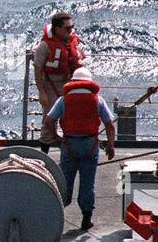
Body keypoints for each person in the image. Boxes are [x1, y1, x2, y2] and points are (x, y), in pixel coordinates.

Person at [45, 68, 116, 232]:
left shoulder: (63, 100)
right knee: (87, 182)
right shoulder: (97, 100)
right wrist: (111, 146)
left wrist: (56, 137)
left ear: (72, 82)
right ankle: (86, 219)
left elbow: (49, 120)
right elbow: (110, 126)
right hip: (90, 145)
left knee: (64, 181)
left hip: (69, 144)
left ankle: (57, 216)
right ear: (89, 83)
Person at [32, 11, 87, 154]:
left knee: (71, 119)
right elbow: (37, 69)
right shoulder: (44, 46)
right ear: (57, 29)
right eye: (67, 28)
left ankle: (70, 151)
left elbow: (81, 58)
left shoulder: (73, 42)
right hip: (51, 85)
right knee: (48, 120)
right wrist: (41, 92)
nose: (71, 30)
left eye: (72, 27)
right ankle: (44, 155)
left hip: (69, 85)